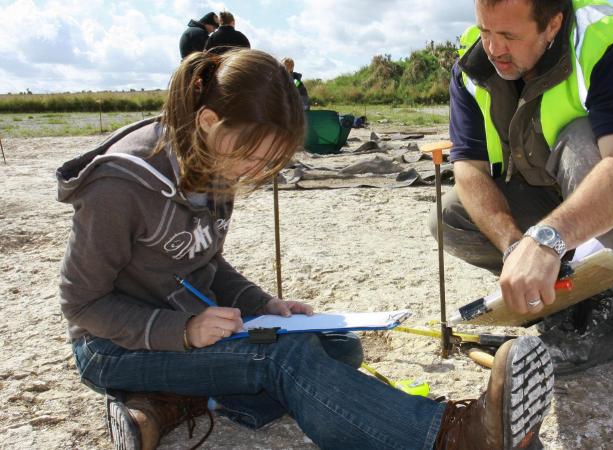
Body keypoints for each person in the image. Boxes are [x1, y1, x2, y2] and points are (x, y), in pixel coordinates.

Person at [57, 49, 554, 450]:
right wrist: (182, 331)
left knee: (339, 348)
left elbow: (202, 260)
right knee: (286, 359)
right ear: (207, 120)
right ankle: (449, 435)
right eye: (250, 155)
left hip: (181, 330)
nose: (253, 171)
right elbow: (81, 304)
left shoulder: (212, 155)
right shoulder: (119, 186)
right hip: (113, 350)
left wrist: (262, 306)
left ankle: (172, 404)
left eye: (268, 160)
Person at [429, 0, 613, 375]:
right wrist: (515, 247)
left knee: (581, 135)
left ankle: (604, 317)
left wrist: (546, 240)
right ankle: (558, 300)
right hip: (557, 194)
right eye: (486, 31)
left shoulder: (605, 42)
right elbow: (469, 170)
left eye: (510, 35)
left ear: (553, 25)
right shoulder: (473, 64)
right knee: (449, 216)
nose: (493, 49)